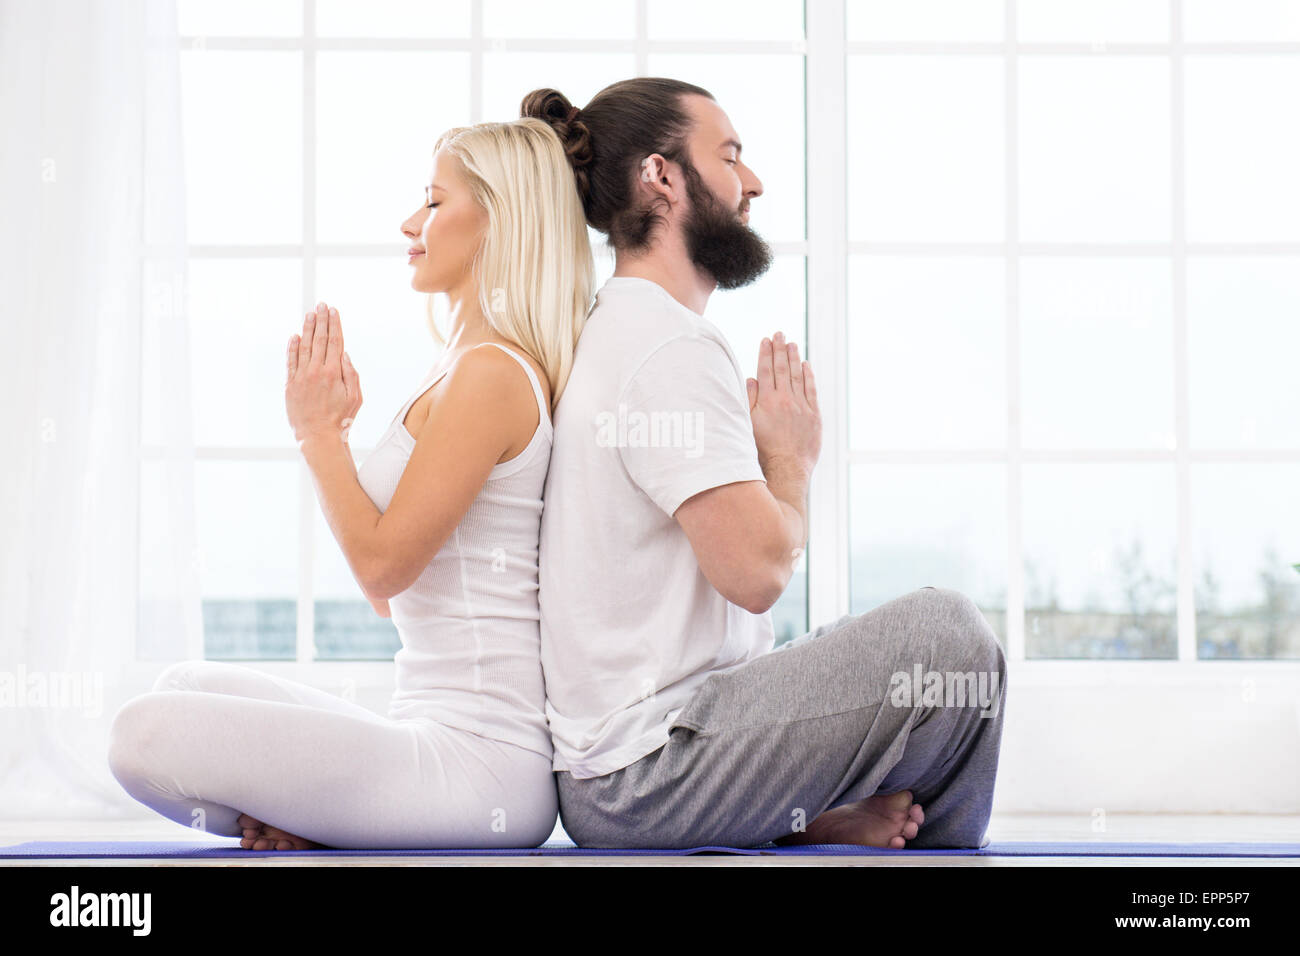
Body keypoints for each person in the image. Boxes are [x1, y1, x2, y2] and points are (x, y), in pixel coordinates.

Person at [526, 78, 1008, 850]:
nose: (752, 183)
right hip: (644, 777)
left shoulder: (622, 327)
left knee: (915, 659)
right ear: (662, 176)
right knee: (951, 643)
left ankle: (811, 825)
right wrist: (790, 462)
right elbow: (757, 575)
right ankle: (931, 853)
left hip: (649, 759)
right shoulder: (667, 343)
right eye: (730, 156)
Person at [106, 113, 595, 850]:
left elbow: (381, 564)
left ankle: (325, 829)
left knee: (138, 736)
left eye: (433, 202)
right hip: (426, 732)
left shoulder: (492, 374)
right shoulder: (459, 368)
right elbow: (386, 596)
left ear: (497, 220)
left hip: (482, 770)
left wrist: (319, 436)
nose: (411, 222)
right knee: (181, 684)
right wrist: (328, 437)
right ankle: (325, 826)